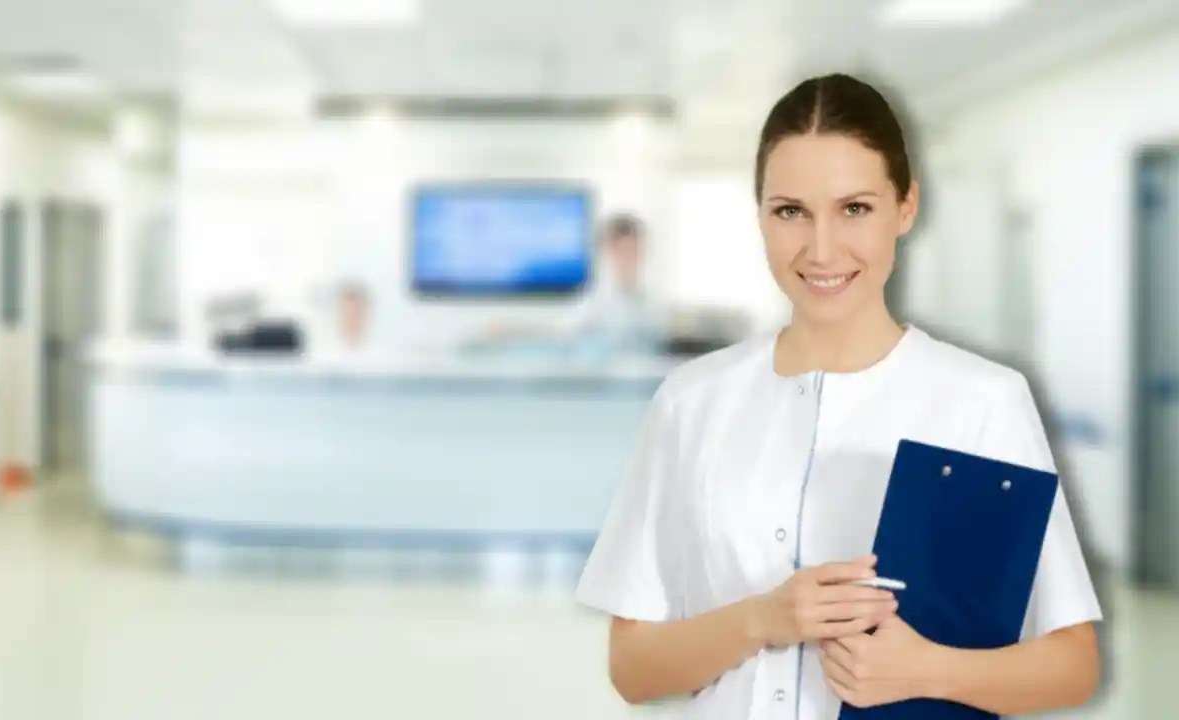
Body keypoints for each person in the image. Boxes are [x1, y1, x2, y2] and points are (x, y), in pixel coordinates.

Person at [575, 73, 1101, 719]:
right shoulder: (692, 401)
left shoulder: (983, 400)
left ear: (905, 207)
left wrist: (927, 670)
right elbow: (632, 670)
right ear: (761, 215)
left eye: (855, 208)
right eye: (790, 211)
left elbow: (1072, 664)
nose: (821, 250)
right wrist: (763, 618)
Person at [464, 213, 667, 355]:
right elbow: (558, 332)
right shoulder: (596, 300)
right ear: (606, 252)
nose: (627, 260)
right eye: (620, 252)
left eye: (633, 252)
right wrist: (506, 329)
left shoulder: (652, 304)